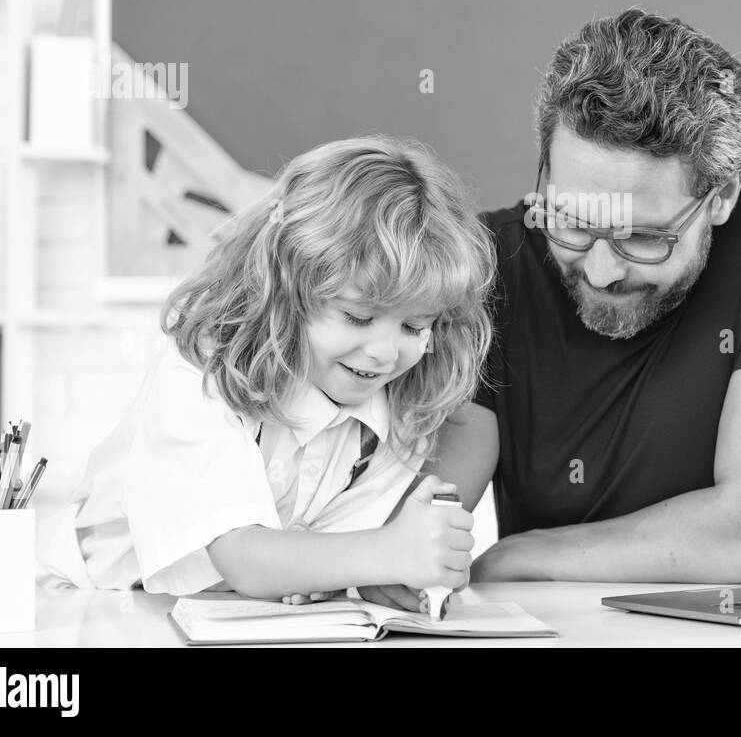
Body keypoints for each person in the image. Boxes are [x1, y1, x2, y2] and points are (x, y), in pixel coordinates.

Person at [429, 8, 741, 586]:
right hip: (559, 624)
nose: (600, 271)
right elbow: (427, 513)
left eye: (644, 237)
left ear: (722, 195)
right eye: (569, 221)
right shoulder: (490, 259)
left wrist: (516, 556)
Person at [36, 135, 492, 602]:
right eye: (358, 317)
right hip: (91, 604)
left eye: (414, 326)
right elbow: (244, 557)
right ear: (288, 285)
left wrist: (347, 571)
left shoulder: (395, 406)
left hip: (224, 614)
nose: (384, 353)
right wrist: (387, 553)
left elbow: (322, 560)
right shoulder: (202, 370)